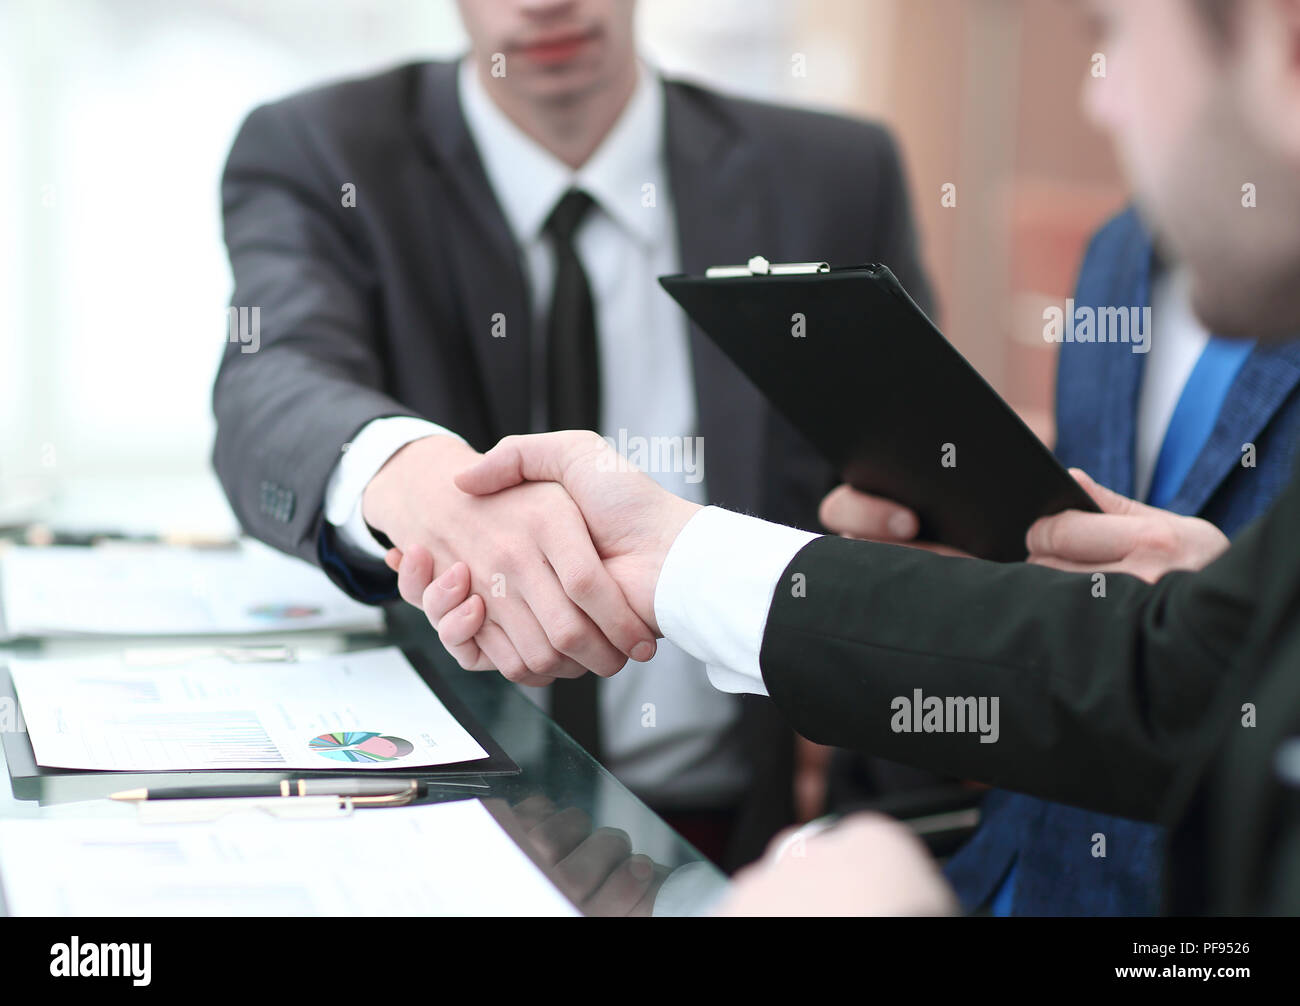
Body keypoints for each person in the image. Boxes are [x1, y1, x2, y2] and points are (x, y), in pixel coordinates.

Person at [397, 0, 1300, 913]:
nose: (1097, 99)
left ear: (1283, 42)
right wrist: (992, 583)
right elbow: (1129, 656)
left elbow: (1176, 678)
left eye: (1109, 35)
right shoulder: (1125, 259)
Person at [211, 0, 931, 867]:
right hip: (433, 829)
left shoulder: (833, 173)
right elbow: (266, 386)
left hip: (745, 838)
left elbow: (915, 504)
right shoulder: (322, 150)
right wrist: (411, 475)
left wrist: (883, 838)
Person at [828, 208, 1300, 916]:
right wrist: (975, 584)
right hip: (1011, 875)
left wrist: (1235, 638)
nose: (1097, 102)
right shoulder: (1120, 249)